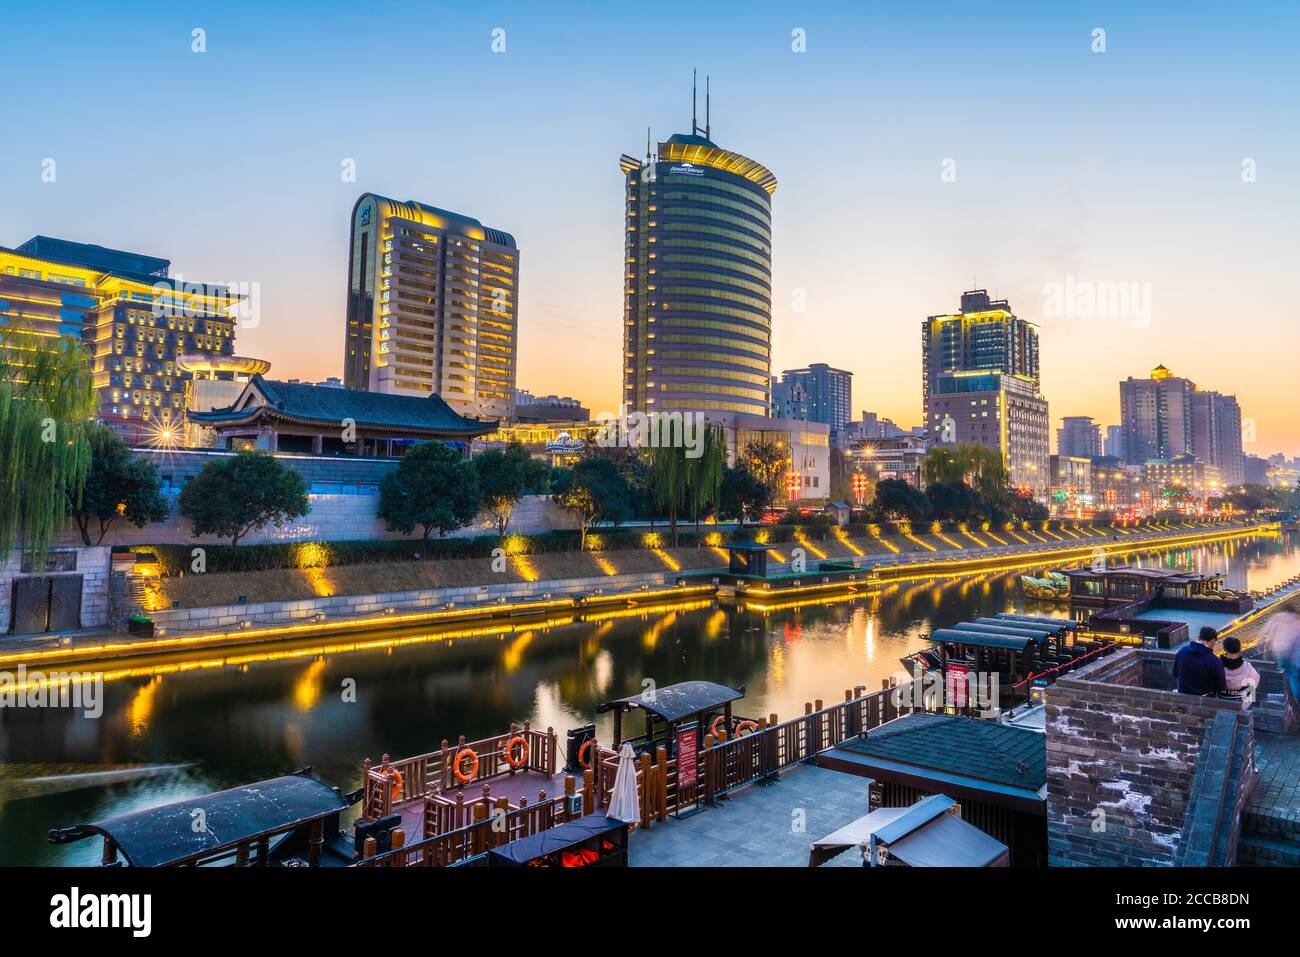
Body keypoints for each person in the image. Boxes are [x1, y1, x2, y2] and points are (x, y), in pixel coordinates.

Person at [1172, 627, 1227, 697]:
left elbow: (1175, 673)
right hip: (1205, 699)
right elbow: (1221, 686)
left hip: (1182, 695)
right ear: (1212, 641)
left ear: (1198, 637)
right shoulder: (1214, 660)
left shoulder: (1181, 651)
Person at [1262, 609, 1300, 702]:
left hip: (1281, 653)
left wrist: (1265, 647)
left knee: (1288, 673)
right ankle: (1295, 696)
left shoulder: (1276, 619)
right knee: (1293, 675)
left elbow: (1264, 632)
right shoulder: (1296, 621)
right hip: (1292, 657)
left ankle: (1292, 694)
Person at [1219, 636, 1260, 708]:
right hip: (1242, 706)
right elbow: (1256, 679)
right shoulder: (1248, 667)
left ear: (1225, 649)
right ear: (1239, 649)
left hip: (1221, 702)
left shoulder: (1218, 667)